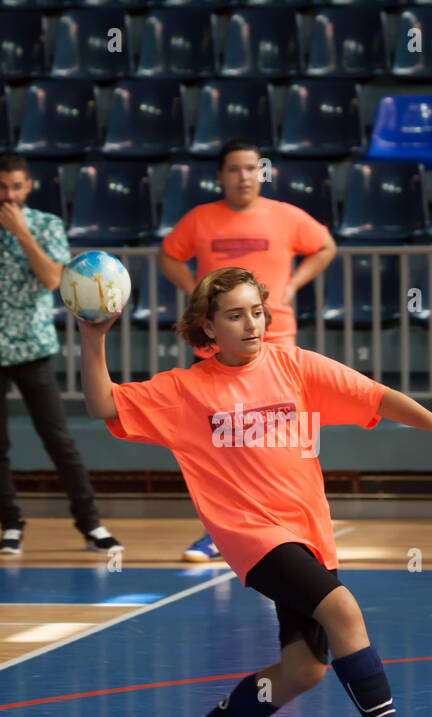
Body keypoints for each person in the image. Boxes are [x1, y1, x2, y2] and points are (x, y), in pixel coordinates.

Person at [73, 266, 432, 717]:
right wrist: (93, 339)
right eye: (234, 315)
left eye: (257, 311)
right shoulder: (185, 390)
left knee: (302, 670)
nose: (251, 324)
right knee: (343, 608)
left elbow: (373, 395)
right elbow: (102, 403)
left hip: (309, 531)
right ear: (207, 328)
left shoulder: (293, 366)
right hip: (253, 536)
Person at [0, 154, 120, 556]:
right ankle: (9, 525)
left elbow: (53, 279)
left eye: (17, 186)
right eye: (2, 186)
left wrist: (22, 233)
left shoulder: (47, 225)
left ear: (28, 186)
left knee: (58, 438)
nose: (9, 195)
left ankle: (91, 524)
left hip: (34, 347)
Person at [159, 139, 336, 563]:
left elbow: (325, 246)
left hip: (277, 340)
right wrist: (196, 295)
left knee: (291, 438)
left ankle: (296, 527)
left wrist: (293, 285)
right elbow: (169, 256)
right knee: (220, 441)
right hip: (218, 347)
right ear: (220, 176)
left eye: (252, 168)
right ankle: (219, 532)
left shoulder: (287, 216)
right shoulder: (200, 219)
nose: (244, 177)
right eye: (235, 169)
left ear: (263, 173)